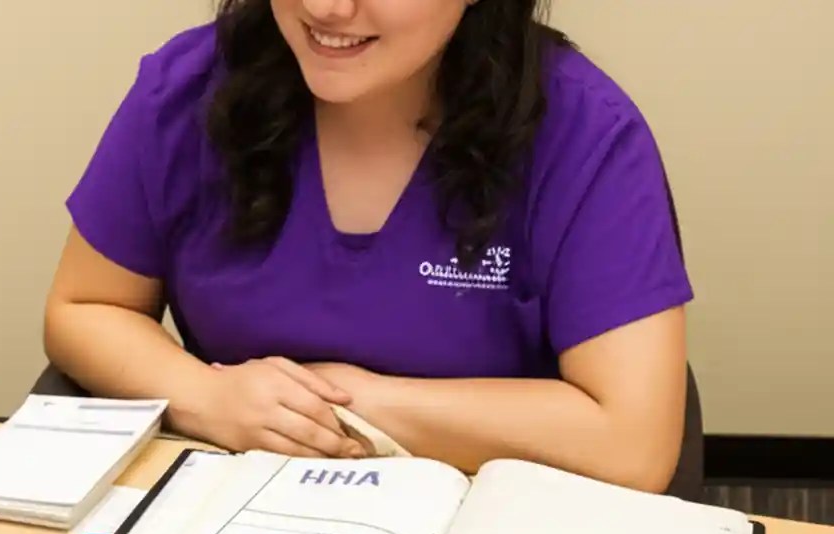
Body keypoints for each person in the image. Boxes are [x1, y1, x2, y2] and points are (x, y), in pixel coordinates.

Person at [42, 0, 693, 494]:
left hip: (495, 533)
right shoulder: (187, 94)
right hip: (233, 509)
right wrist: (205, 398)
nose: (327, 8)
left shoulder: (583, 132)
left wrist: (349, 406)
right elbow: (86, 307)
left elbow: (631, 442)